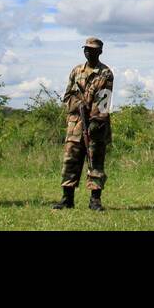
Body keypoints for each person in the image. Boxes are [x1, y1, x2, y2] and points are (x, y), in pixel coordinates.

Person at [53, 37, 113, 211]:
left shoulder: (106, 73)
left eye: (92, 49)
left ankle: (95, 200)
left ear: (100, 51)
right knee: (70, 161)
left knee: (95, 162)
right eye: (86, 49)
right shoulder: (76, 71)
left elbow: (103, 101)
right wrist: (78, 105)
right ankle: (67, 198)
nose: (88, 51)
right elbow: (67, 96)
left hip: (96, 125)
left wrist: (94, 120)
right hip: (75, 124)